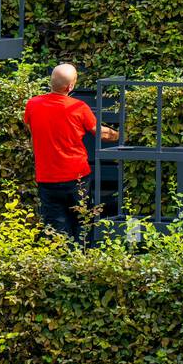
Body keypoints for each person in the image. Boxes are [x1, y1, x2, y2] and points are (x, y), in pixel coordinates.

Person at [24, 63, 118, 240]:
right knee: (82, 223)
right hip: (77, 176)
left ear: (51, 81)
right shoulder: (78, 107)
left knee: (55, 227)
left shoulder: (32, 104)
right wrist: (122, 134)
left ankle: (61, 255)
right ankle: (81, 255)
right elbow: (102, 134)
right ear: (71, 86)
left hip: (47, 176)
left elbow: (32, 132)